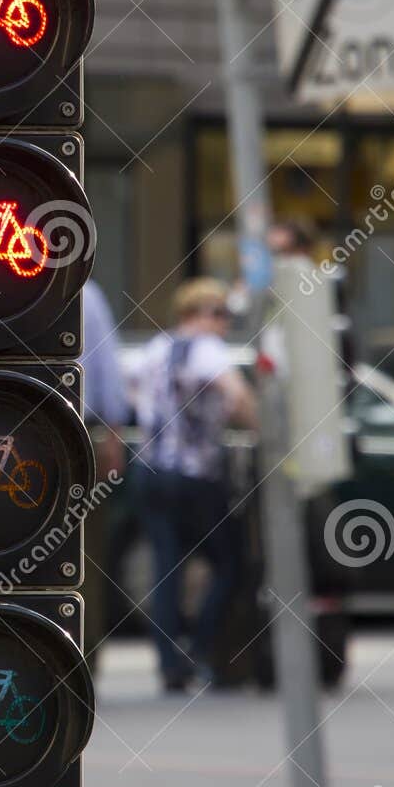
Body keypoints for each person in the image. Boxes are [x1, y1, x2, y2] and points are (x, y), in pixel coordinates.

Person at [134, 278, 258, 693]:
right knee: (230, 563)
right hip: (196, 473)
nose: (224, 323)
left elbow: (134, 394)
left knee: (166, 569)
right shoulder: (206, 349)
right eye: (218, 313)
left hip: (150, 470)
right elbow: (235, 392)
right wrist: (255, 424)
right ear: (195, 314)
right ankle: (201, 649)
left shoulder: (154, 348)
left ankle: (170, 666)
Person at [80, 277, 129, 679]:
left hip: (13, 433)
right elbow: (106, 367)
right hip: (82, 434)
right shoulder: (84, 291)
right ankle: (82, 657)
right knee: (85, 557)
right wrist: (114, 435)